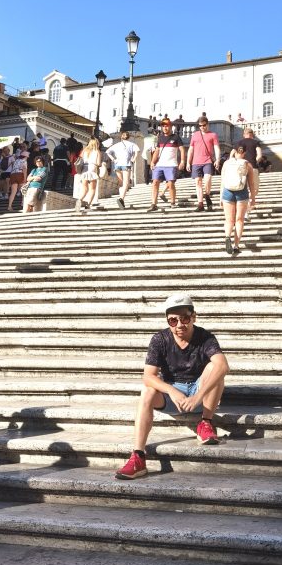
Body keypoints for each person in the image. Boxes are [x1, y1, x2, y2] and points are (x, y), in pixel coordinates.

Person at [115, 293, 230, 480]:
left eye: (184, 318)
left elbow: (223, 366)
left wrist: (198, 396)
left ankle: (205, 423)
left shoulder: (205, 337)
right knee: (147, 391)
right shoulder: (160, 340)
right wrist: (172, 391)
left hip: (199, 394)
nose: (179, 325)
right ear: (168, 321)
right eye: (173, 321)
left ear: (193, 316)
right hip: (172, 395)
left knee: (215, 368)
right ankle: (138, 457)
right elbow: (148, 376)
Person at [220, 144, 252, 255]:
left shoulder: (226, 163)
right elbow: (251, 183)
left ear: (234, 151)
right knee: (239, 220)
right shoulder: (247, 164)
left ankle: (227, 236)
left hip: (227, 192)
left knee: (229, 220)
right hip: (241, 192)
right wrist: (253, 197)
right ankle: (236, 245)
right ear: (244, 153)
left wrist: (221, 197)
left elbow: (223, 181)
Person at [148, 119, 185, 211]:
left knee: (170, 183)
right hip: (160, 164)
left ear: (170, 126)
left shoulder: (176, 137)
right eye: (163, 126)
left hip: (171, 164)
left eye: (167, 125)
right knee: (155, 182)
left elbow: (182, 150)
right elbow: (157, 150)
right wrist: (153, 161)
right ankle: (153, 204)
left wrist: (183, 161)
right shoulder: (160, 138)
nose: (165, 127)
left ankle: (172, 202)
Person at [186, 117, 220, 212]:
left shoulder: (213, 135)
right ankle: (200, 203)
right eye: (200, 126)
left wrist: (217, 160)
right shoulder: (195, 135)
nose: (202, 127)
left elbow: (216, 148)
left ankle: (207, 194)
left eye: (204, 125)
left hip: (208, 161)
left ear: (207, 124)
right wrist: (188, 162)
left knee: (208, 179)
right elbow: (191, 149)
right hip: (196, 162)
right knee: (198, 182)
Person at [106, 131, 138, 208]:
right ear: (129, 137)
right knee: (126, 183)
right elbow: (137, 151)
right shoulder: (132, 144)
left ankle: (121, 199)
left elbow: (107, 152)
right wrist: (133, 159)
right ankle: (121, 198)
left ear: (121, 137)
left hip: (117, 165)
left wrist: (113, 159)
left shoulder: (116, 145)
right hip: (126, 165)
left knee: (121, 183)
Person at [237, 127, 263, 213]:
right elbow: (259, 155)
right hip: (253, 167)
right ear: (252, 135)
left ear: (244, 135)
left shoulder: (240, 142)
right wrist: (254, 161)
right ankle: (249, 205)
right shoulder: (256, 142)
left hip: (242, 167)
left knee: (243, 188)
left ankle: (246, 206)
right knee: (254, 188)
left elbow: (236, 154)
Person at [78, 137, 102, 211]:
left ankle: (79, 200)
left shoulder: (85, 150)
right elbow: (98, 163)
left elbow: (81, 160)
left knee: (85, 189)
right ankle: (88, 205)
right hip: (92, 170)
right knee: (92, 189)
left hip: (84, 170)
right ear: (96, 144)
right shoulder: (97, 151)